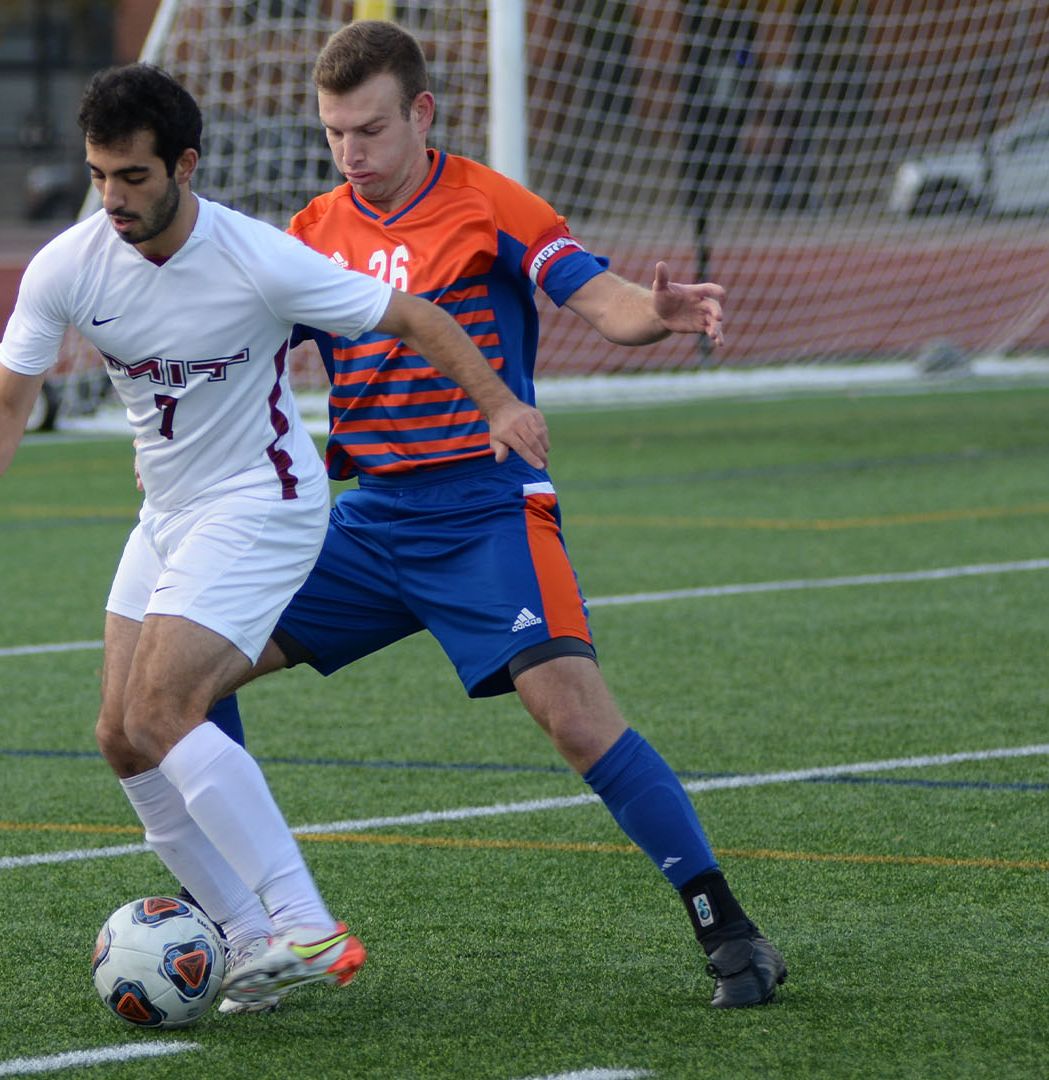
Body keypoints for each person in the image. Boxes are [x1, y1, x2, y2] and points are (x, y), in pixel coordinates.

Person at [0, 62, 553, 1010]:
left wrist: (500, 402)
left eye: (133, 177)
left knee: (166, 707)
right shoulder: (69, 264)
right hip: (170, 511)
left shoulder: (256, 254)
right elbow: (7, 403)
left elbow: (414, 314)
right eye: (99, 176)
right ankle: (248, 933)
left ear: (183, 165)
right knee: (121, 737)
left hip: (265, 500)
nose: (113, 198)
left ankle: (306, 922)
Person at [198, 20, 786, 1011]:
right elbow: (242, 348)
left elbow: (600, 300)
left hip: (488, 515)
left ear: (423, 113)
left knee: (572, 713)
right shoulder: (313, 231)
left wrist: (659, 312)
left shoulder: (489, 203)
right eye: (335, 134)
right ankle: (238, 912)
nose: (353, 153)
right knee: (192, 669)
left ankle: (728, 929)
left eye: (371, 130)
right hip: (368, 523)